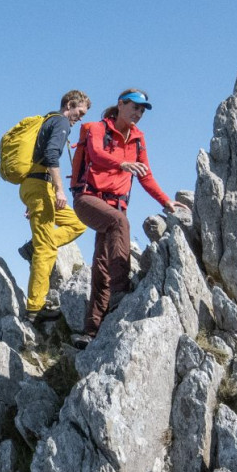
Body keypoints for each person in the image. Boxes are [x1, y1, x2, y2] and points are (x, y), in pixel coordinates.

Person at [70, 88, 173, 342]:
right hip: (88, 199)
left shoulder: (138, 139)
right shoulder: (97, 129)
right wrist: (122, 164)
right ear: (120, 105)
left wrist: (167, 202)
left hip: (114, 207)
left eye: (142, 110)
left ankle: (91, 331)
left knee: (102, 264)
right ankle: (121, 289)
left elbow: (145, 176)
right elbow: (95, 154)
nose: (138, 113)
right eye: (134, 107)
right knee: (119, 222)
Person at [19, 89, 91, 327]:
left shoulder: (48, 120)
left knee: (77, 224)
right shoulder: (60, 122)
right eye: (79, 112)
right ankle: (35, 308)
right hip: (42, 186)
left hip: (38, 188)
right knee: (47, 249)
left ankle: (33, 247)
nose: (79, 117)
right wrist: (60, 189)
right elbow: (51, 155)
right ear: (69, 104)